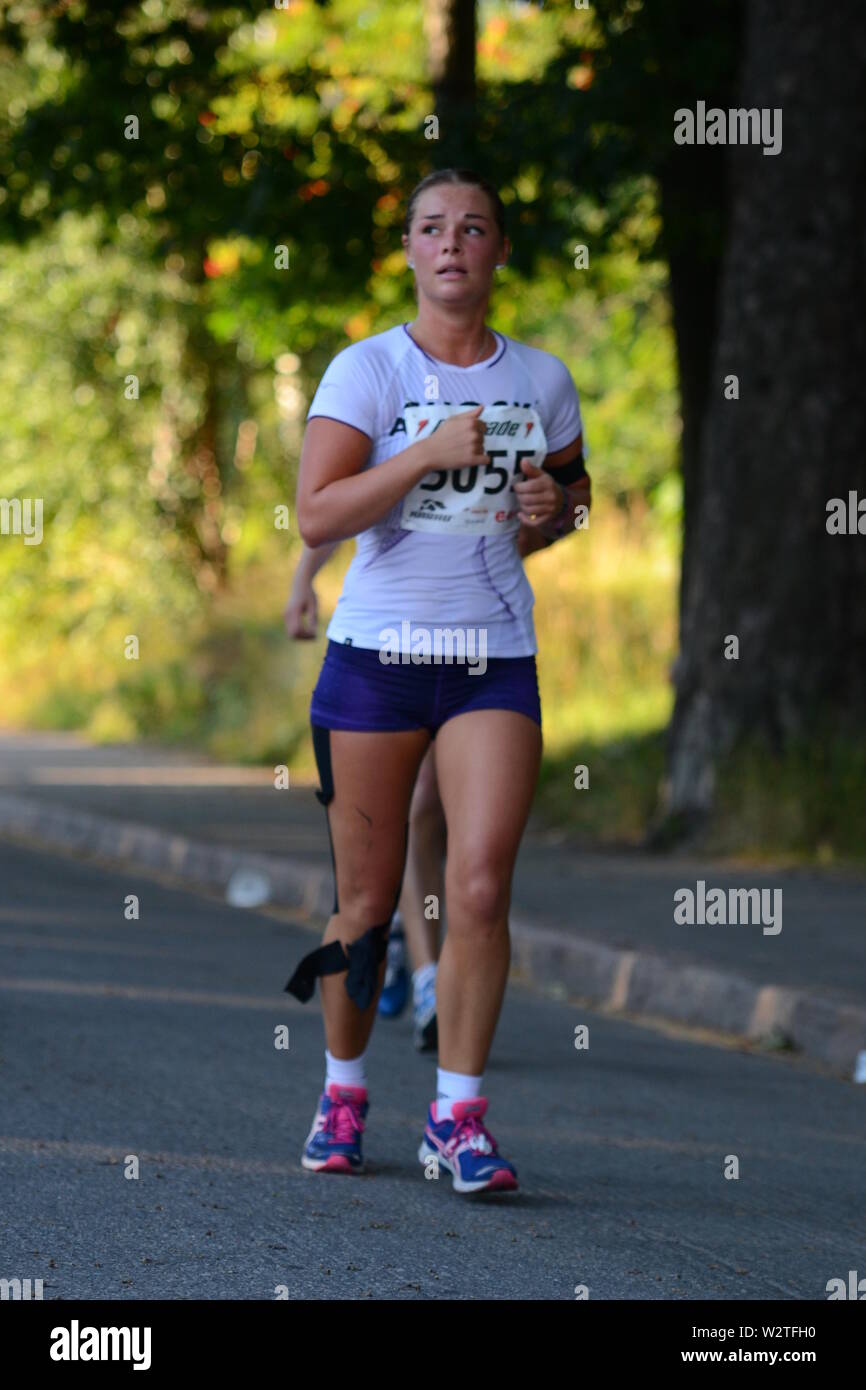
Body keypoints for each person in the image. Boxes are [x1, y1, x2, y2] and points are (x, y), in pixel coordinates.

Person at [284, 168, 591, 1193]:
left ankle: (457, 1116)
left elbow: (569, 502)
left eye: (473, 227)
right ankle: (341, 1090)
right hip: (376, 661)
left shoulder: (541, 379)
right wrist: (418, 457)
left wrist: (551, 506)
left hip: (489, 664)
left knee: (478, 884)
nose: (451, 242)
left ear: (500, 250)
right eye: (431, 227)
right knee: (365, 904)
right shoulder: (366, 372)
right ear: (409, 252)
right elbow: (317, 515)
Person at [285, 517, 550, 1051]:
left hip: (483, 649)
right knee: (419, 801)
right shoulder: (388, 430)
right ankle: (427, 971)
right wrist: (303, 578)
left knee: (463, 844)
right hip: (388, 652)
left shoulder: (532, 429)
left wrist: (540, 518)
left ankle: (416, 939)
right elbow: (339, 501)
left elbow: (553, 514)